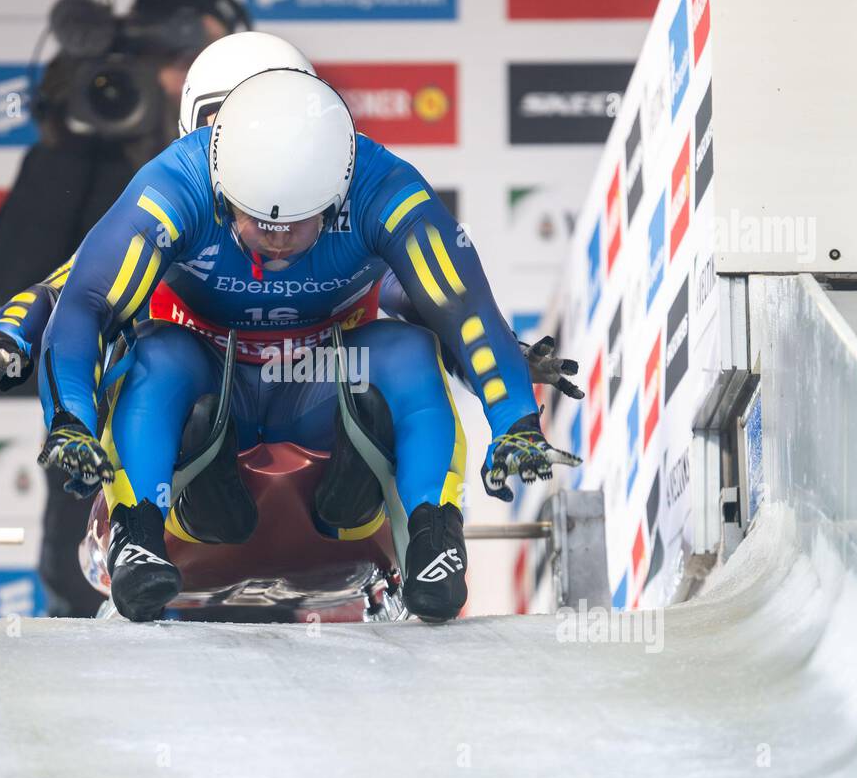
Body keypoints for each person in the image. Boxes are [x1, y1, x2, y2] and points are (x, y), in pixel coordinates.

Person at [33, 69, 581, 624]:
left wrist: (517, 421)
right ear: (222, 187)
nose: (277, 240)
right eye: (260, 221)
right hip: (209, 377)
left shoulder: (384, 189)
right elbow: (84, 304)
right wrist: (70, 419)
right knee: (156, 352)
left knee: (407, 350)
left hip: (318, 385)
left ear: (338, 188)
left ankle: (434, 542)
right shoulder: (175, 187)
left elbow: (464, 310)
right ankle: (138, 534)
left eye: (297, 223)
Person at [0, 0, 248, 618]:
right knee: (88, 636)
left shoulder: (259, 170)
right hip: (101, 450)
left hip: (240, 437)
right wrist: (71, 140)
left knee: (244, 636)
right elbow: (13, 279)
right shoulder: (94, 145)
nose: (192, 85)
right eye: (180, 65)